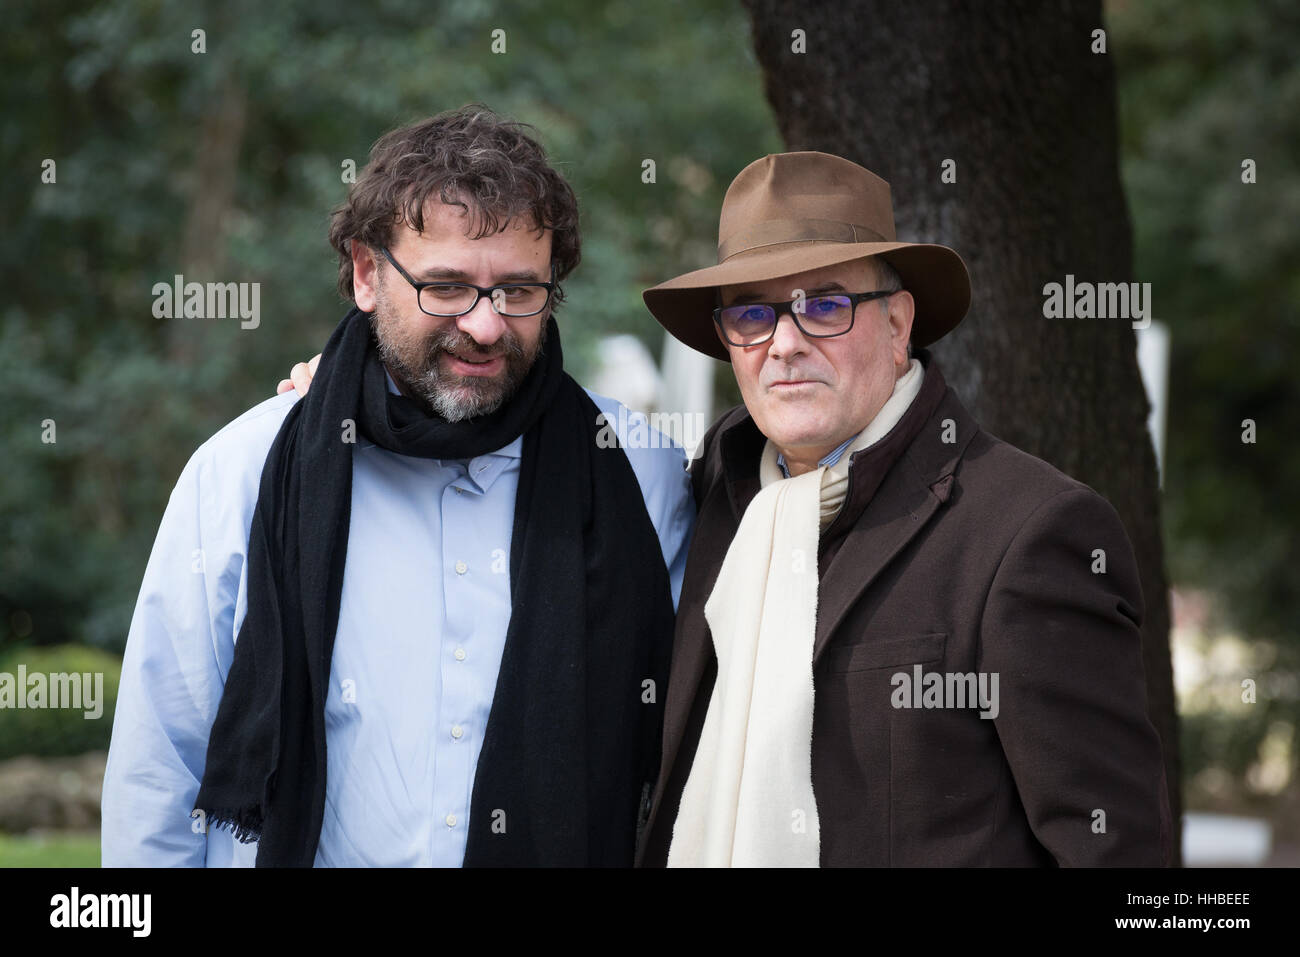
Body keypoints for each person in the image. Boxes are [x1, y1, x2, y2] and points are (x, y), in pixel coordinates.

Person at [101, 105, 694, 867]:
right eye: (446, 287)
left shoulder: (640, 473)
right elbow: (162, 763)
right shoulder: (245, 473)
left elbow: (690, 742)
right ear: (366, 274)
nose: (485, 326)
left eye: (519, 291)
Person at [634, 150, 1174, 866]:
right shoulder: (712, 500)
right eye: (753, 314)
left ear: (898, 325)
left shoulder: (1030, 532)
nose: (785, 344)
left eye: (824, 305)